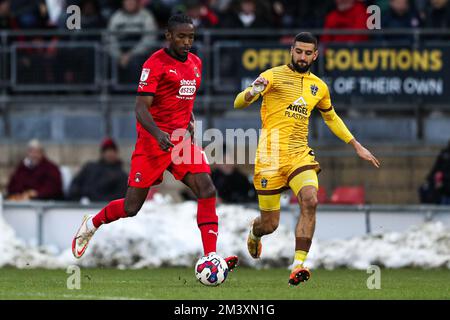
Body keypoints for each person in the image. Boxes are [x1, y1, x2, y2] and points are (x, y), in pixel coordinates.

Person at [72, 14, 238, 272]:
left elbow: (183, 99)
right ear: (169, 36)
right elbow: (140, 108)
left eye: (191, 37)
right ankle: (91, 224)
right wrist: (158, 134)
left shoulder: (196, 63)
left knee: (207, 190)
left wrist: (190, 119)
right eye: (181, 36)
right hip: (153, 144)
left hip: (181, 143)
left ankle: (211, 256)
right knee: (131, 207)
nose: (187, 42)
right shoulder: (155, 64)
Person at [233, 32, 380, 285]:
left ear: (315, 55)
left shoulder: (319, 87)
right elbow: (238, 103)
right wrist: (250, 93)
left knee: (310, 200)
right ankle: (255, 234)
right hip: (269, 156)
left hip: (299, 154)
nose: (302, 56)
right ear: (292, 50)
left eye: (307, 53)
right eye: (298, 51)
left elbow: (331, 117)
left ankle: (298, 264)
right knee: (270, 224)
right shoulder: (272, 75)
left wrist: (355, 144)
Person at [68, 138, 128, 202]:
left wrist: (95, 199)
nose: (109, 154)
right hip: (79, 207)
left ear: (116, 153)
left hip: (102, 208)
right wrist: (79, 198)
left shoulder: (122, 176)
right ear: (102, 153)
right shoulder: (89, 168)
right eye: (107, 151)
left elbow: (119, 197)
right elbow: (75, 185)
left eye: (112, 151)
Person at [420, 140, 450, 204]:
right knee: (424, 188)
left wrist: (443, 182)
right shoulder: (444, 153)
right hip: (441, 184)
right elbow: (436, 169)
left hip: (446, 184)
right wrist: (430, 180)